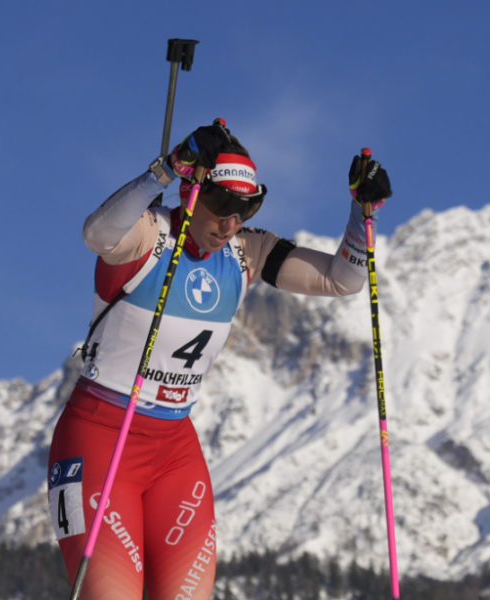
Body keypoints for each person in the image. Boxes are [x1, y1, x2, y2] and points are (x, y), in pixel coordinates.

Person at [46, 119, 391, 599]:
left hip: (174, 452)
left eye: (245, 208)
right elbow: (97, 235)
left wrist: (361, 212)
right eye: (222, 204)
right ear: (193, 190)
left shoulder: (246, 252)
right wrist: (166, 169)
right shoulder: (149, 234)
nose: (230, 222)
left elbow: (341, 280)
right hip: (101, 439)